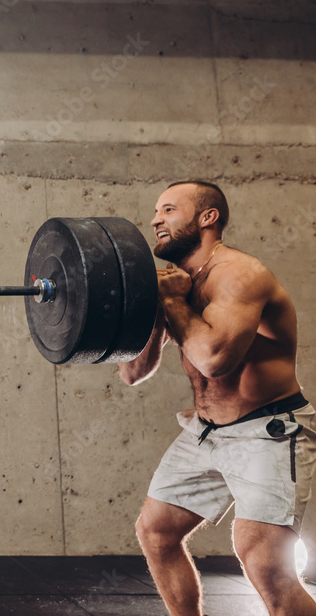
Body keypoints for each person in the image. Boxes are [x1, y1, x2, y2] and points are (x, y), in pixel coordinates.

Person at [120, 180, 316, 616]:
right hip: (206, 430)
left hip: (267, 430)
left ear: (207, 218)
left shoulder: (240, 275)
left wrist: (172, 302)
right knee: (156, 532)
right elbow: (133, 372)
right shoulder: (176, 285)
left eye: (168, 210)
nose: (155, 220)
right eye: (156, 212)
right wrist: (155, 311)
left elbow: (215, 360)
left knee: (265, 563)